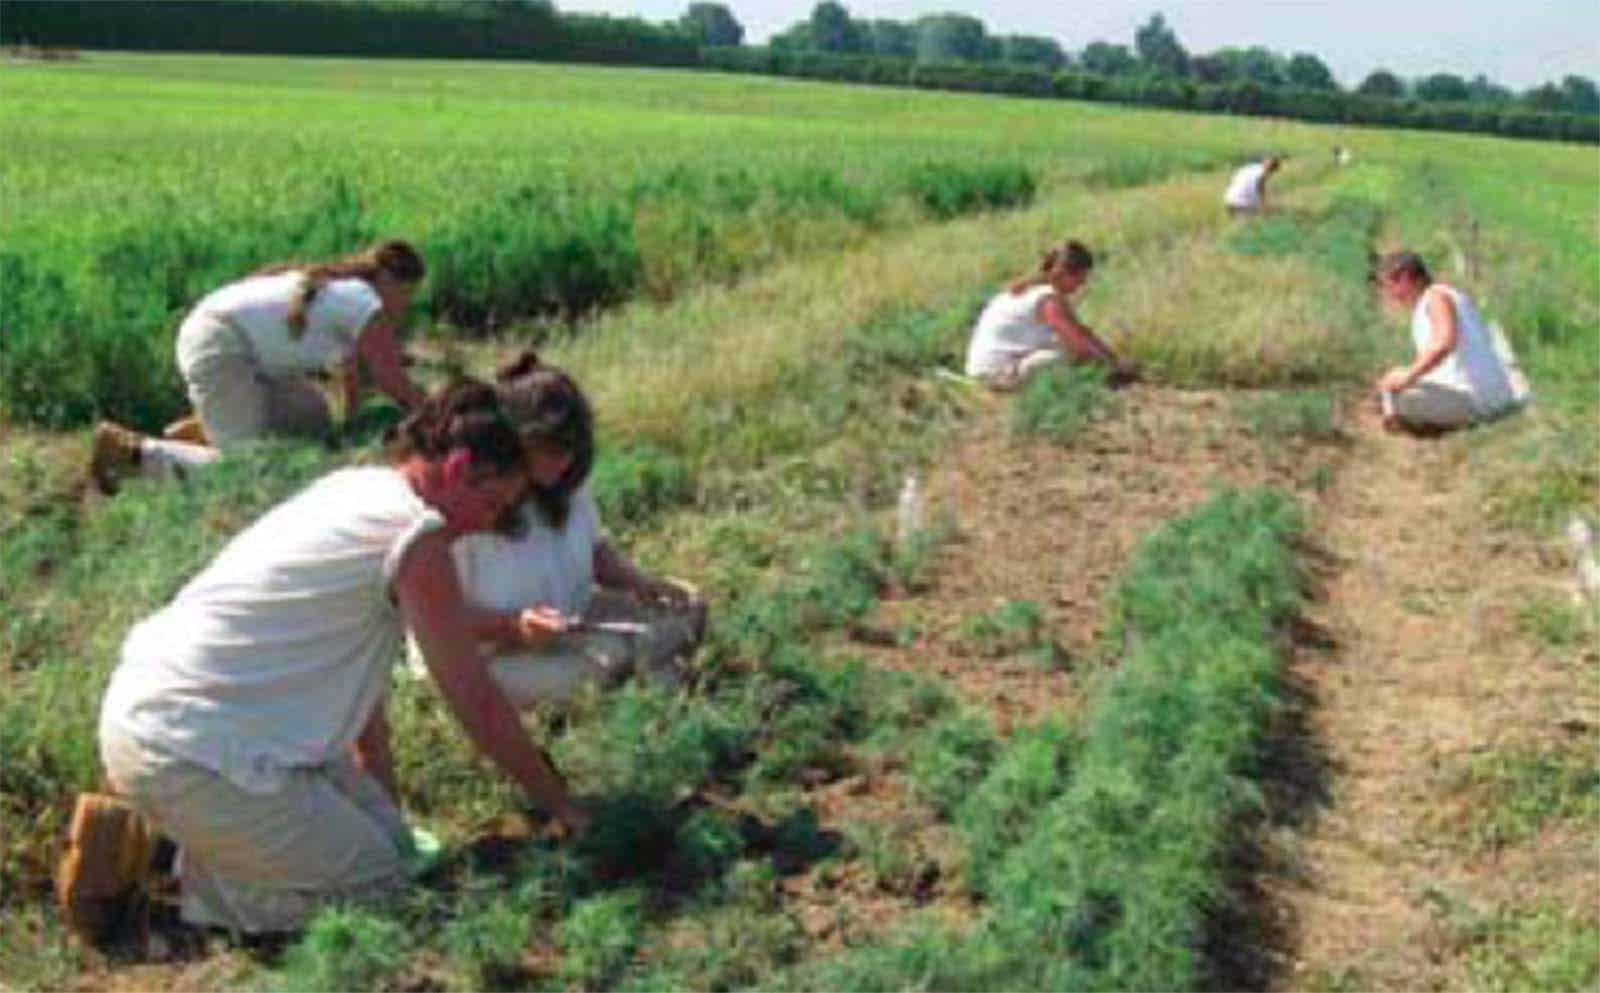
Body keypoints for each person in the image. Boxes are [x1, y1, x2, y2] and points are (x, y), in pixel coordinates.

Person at [75, 379, 589, 938]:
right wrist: (562, 805)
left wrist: (385, 814)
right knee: (380, 892)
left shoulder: (358, 488)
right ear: (459, 467)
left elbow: (358, 682)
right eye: (491, 505)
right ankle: (160, 878)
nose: (487, 523)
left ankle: (170, 834)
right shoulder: (417, 539)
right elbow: (477, 701)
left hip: (188, 720)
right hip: (189, 748)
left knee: (393, 848)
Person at [411, 351, 707, 708]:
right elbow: (437, 617)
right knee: (599, 666)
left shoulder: (565, 486)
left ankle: (649, 673)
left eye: (571, 447)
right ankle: (650, 680)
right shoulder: (475, 503)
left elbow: (596, 549)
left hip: (571, 623)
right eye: (551, 448)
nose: (564, 459)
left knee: (688, 606)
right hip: (487, 654)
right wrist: (514, 627)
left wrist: (641, 583)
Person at [89, 239, 432, 493]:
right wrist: (438, 417)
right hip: (221, 346)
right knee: (248, 468)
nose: (405, 306)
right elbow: (393, 382)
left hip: (242, 352)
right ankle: (133, 453)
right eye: (407, 295)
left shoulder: (343, 292)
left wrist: (347, 428)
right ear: (391, 281)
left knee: (312, 419)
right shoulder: (364, 301)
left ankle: (209, 427)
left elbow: (352, 377)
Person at [1372, 251, 1520, 433]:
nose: (1390, 294)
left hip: (1474, 399)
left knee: (1397, 397)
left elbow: (1444, 343)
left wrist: (1408, 376)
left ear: (1405, 278)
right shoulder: (1444, 296)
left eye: (1389, 286)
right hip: (1488, 394)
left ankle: (1411, 421)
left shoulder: (1436, 298)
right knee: (1389, 386)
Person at [963, 239, 1138, 391]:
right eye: (1080, 277)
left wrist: (1113, 359)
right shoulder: (1047, 299)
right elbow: (1077, 341)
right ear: (1064, 274)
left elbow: (1081, 332)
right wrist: (1112, 367)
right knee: (1069, 355)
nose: (1082, 284)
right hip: (994, 375)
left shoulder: (1029, 291)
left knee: (1066, 350)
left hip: (985, 371)